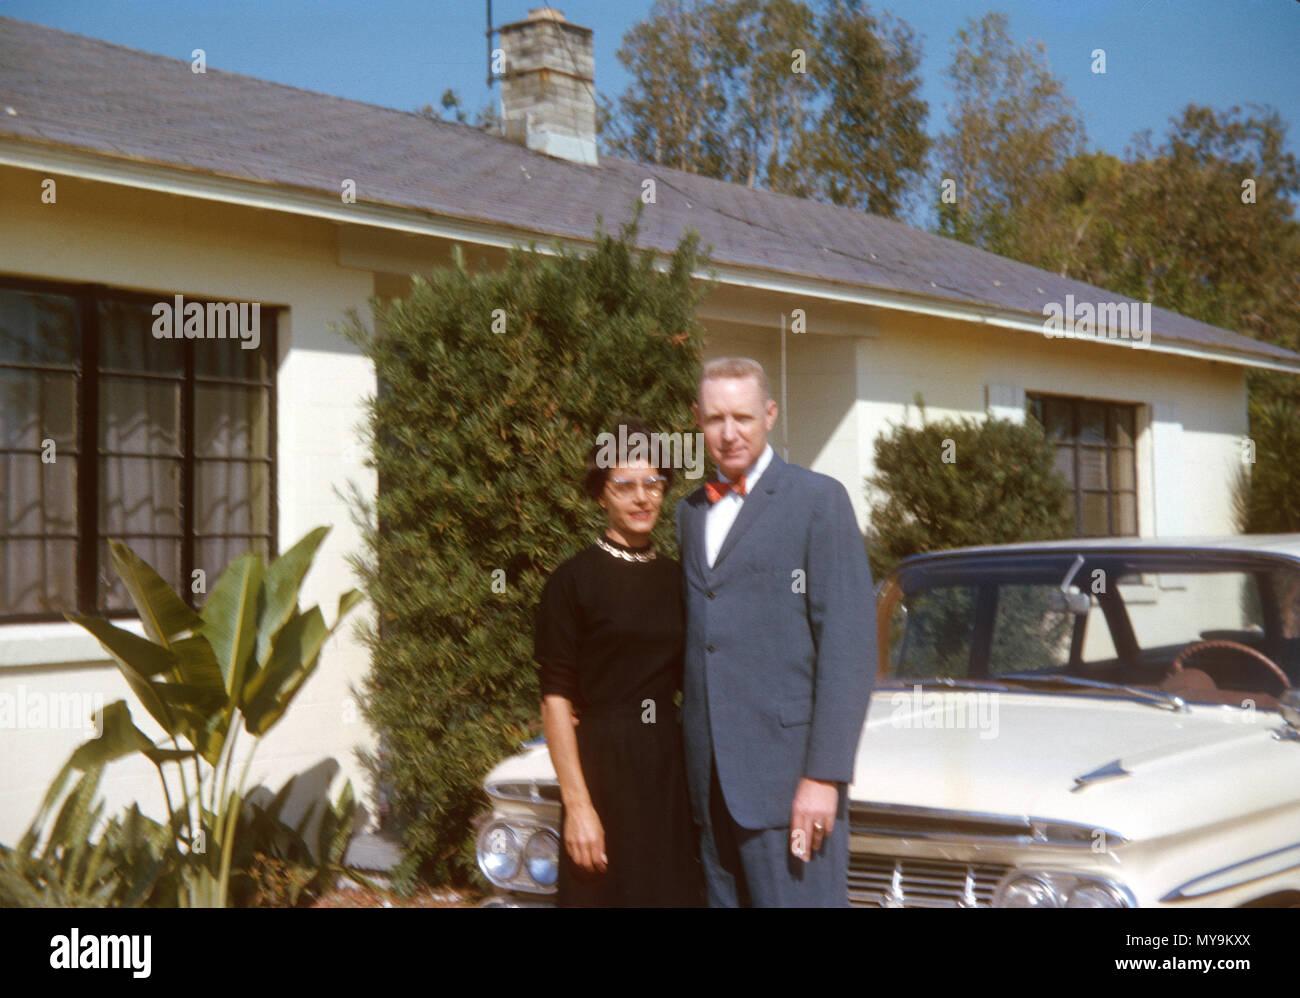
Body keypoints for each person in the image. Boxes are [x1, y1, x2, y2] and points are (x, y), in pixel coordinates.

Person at [675, 358, 876, 907]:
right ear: (698, 420)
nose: (729, 432)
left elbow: (849, 647)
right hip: (710, 783)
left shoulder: (818, 501)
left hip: (787, 782)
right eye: (715, 418)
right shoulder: (689, 514)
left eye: (742, 416)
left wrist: (824, 777)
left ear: (770, 414)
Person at [532, 419, 704, 906]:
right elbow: (556, 699)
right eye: (624, 486)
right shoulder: (572, 582)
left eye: (653, 483)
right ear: (600, 495)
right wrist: (579, 805)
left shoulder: (679, 579)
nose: (642, 497)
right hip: (601, 770)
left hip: (669, 770)